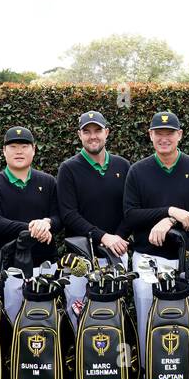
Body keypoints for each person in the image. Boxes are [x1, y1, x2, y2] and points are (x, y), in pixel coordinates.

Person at [122, 111, 189, 379]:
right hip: (148, 260)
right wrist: (168, 211)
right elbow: (131, 215)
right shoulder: (138, 171)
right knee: (149, 326)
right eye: (158, 132)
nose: (164, 137)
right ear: (150, 135)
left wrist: (170, 220)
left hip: (188, 261)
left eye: (170, 132)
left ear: (180, 135)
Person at [56, 111, 131, 326]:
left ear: (106, 132)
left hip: (117, 252)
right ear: (79, 135)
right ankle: (81, 359)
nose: (93, 136)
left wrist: (118, 238)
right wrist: (104, 237)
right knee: (80, 315)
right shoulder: (68, 168)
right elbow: (69, 214)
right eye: (87, 131)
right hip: (80, 259)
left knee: (114, 316)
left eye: (97, 130)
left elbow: (130, 209)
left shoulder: (123, 166)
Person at [0, 126, 61, 320]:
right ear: (4, 151)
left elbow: (59, 217)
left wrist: (48, 222)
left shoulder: (48, 181)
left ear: (34, 149)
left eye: (24, 146)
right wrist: (33, 228)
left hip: (45, 265)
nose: (19, 151)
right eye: (13, 146)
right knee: (12, 322)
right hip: (10, 268)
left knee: (46, 323)